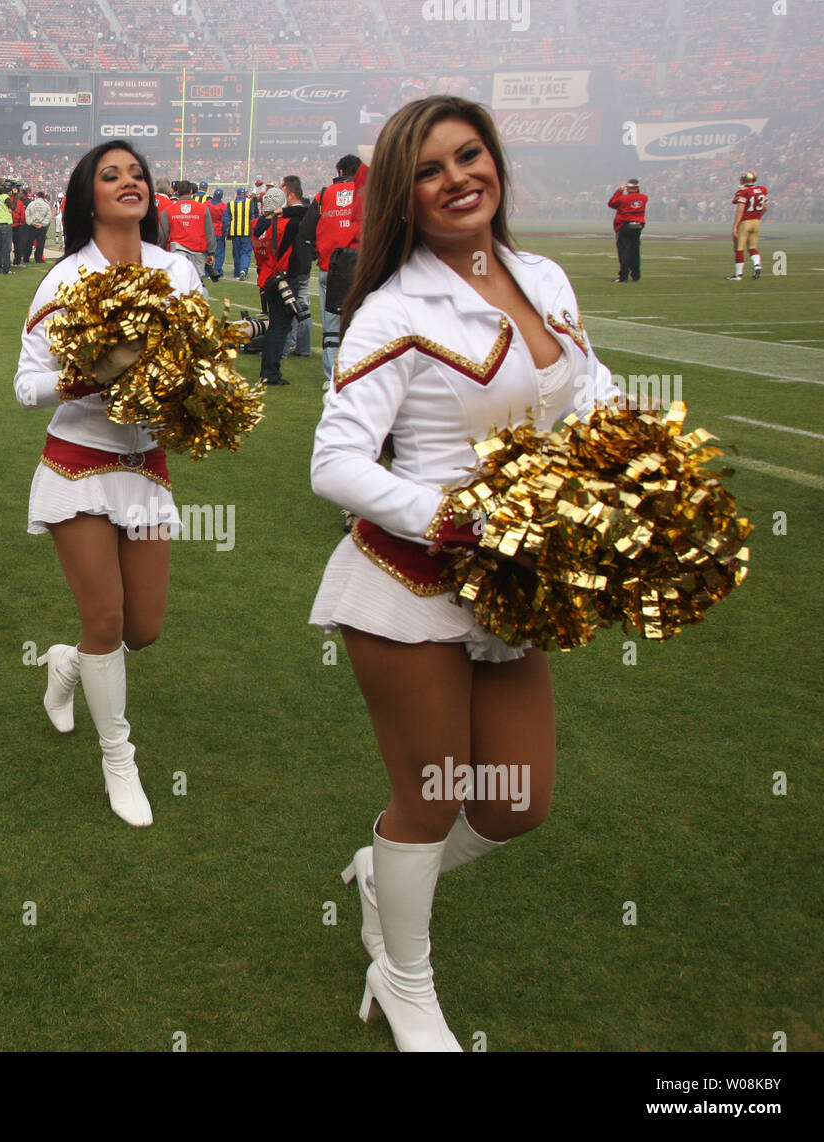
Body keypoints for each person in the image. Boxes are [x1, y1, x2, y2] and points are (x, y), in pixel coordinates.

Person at [310, 96, 621, 1052]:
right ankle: (404, 980)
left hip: (514, 586)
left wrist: (621, 469)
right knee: (432, 794)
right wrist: (454, 513)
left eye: (470, 156)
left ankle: (387, 869)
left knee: (517, 806)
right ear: (403, 195)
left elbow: (591, 390)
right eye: (431, 171)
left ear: (496, 163)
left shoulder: (545, 279)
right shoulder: (392, 310)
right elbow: (335, 463)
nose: (458, 181)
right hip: (408, 584)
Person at [14, 141, 204, 828]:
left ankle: (66, 665)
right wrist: (86, 378)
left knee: (142, 629)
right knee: (105, 619)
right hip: (76, 460)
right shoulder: (63, 279)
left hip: (146, 465)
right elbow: (24, 384)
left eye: (137, 174)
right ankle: (118, 759)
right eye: (111, 174)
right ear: (86, 196)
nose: (130, 182)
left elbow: (197, 363)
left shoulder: (177, 272)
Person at [302, 154, 363, 385]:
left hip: (331, 266)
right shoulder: (368, 193)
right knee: (362, 321)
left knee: (331, 326)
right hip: (362, 266)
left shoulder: (324, 194)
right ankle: (359, 372)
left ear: (340, 172)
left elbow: (306, 230)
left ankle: (333, 377)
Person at [251, 185, 308, 386]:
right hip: (283, 277)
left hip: (266, 277)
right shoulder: (286, 225)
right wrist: (284, 211)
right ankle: (270, 373)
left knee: (274, 325)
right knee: (280, 327)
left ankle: (268, 370)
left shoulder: (256, 225)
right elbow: (306, 210)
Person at [279, 175, 313, 359]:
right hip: (305, 263)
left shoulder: (292, 214)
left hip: (292, 265)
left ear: (291, 194)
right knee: (303, 306)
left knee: (288, 306)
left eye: (283, 189)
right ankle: (303, 347)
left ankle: (283, 350)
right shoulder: (309, 212)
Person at [157, 180, 215, 280]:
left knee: (179, 284)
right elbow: (209, 232)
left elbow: (163, 233)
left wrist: (162, 249)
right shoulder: (203, 208)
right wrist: (211, 253)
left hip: (177, 252)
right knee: (196, 285)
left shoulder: (170, 209)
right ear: (191, 191)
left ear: (177, 192)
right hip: (198, 252)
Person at [728, 171, 769, 281]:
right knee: (752, 247)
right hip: (757, 221)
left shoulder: (743, 192)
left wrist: (735, 226)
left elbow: (740, 210)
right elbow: (765, 207)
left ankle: (738, 275)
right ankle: (757, 265)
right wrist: (757, 216)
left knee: (739, 248)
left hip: (745, 222)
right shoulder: (762, 190)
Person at [606, 177, 647, 283]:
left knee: (624, 252)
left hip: (624, 225)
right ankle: (636, 275)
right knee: (635, 251)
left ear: (628, 188)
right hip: (637, 226)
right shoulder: (644, 197)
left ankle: (623, 276)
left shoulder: (623, 198)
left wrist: (620, 190)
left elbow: (611, 203)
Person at [225, 186, 255, 280]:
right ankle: (243, 270)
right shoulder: (249, 203)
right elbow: (253, 217)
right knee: (245, 252)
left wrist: (228, 228)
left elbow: (226, 219)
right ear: (244, 194)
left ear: (237, 194)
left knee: (236, 253)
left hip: (235, 232)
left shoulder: (231, 204)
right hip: (246, 232)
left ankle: (237, 272)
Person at [25, 191, 52, 262]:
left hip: (32, 226)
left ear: (36, 196)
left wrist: (31, 222)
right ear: (43, 197)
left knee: (29, 243)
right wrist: (42, 224)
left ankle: (26, 258)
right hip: (41, 227)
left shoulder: (31, 204)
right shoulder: (46, 205)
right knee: (40, 244)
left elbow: (27, 214)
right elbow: (48, 217)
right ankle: (38, 258)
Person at [206, 188, 226, 280]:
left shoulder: (207, 203)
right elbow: (225, 219)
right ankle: (217, 270)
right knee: (219, 252)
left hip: (208, 229)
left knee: (208, 251)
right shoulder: (223, 206)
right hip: (218, 230)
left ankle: (207, 271)